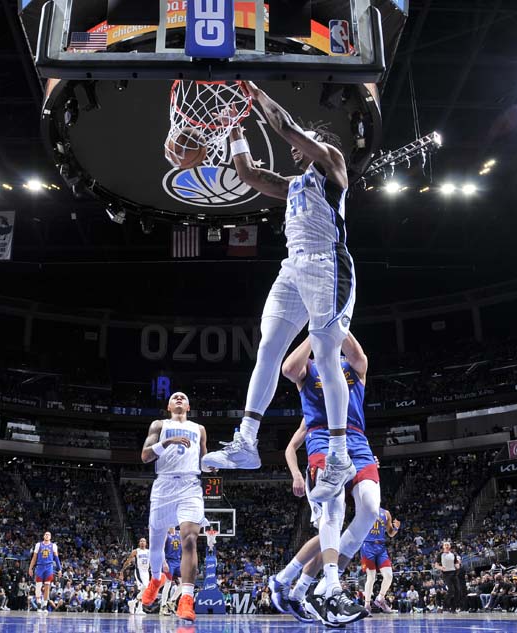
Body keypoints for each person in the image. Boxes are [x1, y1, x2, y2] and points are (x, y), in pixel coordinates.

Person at [203, 81, 357, 504]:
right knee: (268, 347)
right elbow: (249, 174)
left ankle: (340, 454)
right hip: (293, 268)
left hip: (329, 265)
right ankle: (247, 441)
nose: (296, 148)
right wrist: (233, 126)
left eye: (306, 142)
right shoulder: (293, 185)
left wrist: (251, 92)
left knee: (326, 356)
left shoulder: (332, 164)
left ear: (317, 144)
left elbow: (287, 127)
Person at [268, 333, 374, 626]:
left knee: (335, 532)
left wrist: (338, 324)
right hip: (322, 455)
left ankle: (290, 583)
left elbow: (360, 358)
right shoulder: (312, 392)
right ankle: (304, 588)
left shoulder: (350, 371)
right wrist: (295, 476)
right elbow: (291, 445)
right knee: (330, 526)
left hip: (354, 448)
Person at [137, 391, 209, 622]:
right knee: (156, 547)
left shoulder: (199, 429)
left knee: (189, 539)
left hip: (190, 485)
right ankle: (156, 578)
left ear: (188, 406)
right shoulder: (159, 425)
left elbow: (204, 463)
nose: (179, 398)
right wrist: (167, 441)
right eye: (175, 397)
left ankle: (186, 598)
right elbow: (146, 456)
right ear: (169, 406)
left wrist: (215, 464)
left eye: (183, 397)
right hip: (164, 486)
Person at [361, 508, 401, 613]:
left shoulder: (386, 513)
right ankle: (367, 605)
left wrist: (396, 528)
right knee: (371, 577)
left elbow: (390, 533)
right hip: (368, 546)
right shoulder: (364, 508)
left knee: (388, 576)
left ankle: (380, 599)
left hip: (381, 547)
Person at [28, 531, 60, 612]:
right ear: (43, 536)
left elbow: (56, 558)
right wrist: (30, 568)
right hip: (40, 567)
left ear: (51, 537)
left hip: (49, 567)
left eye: (49, 534)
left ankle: (44, 606)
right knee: (38, 586)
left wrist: (59, 569)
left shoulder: (53, 546)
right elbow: (34, 557)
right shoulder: (38, 545)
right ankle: (38, 604)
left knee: (47, 587)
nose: (47, 535)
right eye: (46, 534)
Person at [121, 538, 151, 614]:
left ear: (146, 543)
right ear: (139, 543)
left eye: (144, 541)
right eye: (141, 541)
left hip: (146, 572)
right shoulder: (135, 551)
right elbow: (128, 561)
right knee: (144, 587)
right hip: (139, 571)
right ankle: (134, 604)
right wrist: (122, 571)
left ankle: (137, 607)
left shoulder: (149, 552)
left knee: (143, 590)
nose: (142, 542)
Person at [160, 526, 183, 614]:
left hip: (177, 561)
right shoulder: (166, 535)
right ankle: (163, 606)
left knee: (183, 584)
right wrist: (164, 562)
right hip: (169, 561)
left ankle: (172, 601)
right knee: (168, 583)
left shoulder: (179, 534)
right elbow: (161, 549)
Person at [434, 541, 462, 612]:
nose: (446, 546)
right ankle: (444, 605)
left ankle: (453, 608)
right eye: (445, 545)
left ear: (450, 546)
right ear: (443, 547)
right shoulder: (440, 554)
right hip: (446, 574)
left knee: (458, 591)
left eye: (448, 545)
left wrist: (458, 564)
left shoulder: (453, 554)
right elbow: (436, 565)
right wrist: (441, 568)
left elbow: (456, 565)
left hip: (454, 573)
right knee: (451, 590)